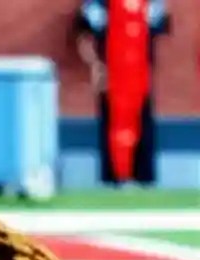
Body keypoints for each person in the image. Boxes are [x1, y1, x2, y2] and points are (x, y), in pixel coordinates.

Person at [74, 0, 172, 185]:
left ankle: (143, 179)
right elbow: (84, 34)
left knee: (142, 126)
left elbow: (161, 27)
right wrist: (96, 66)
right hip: (112, 77)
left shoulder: (149, 4)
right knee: (112, 127)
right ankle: (113, 179)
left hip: (140, 77)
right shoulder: (100, 5)